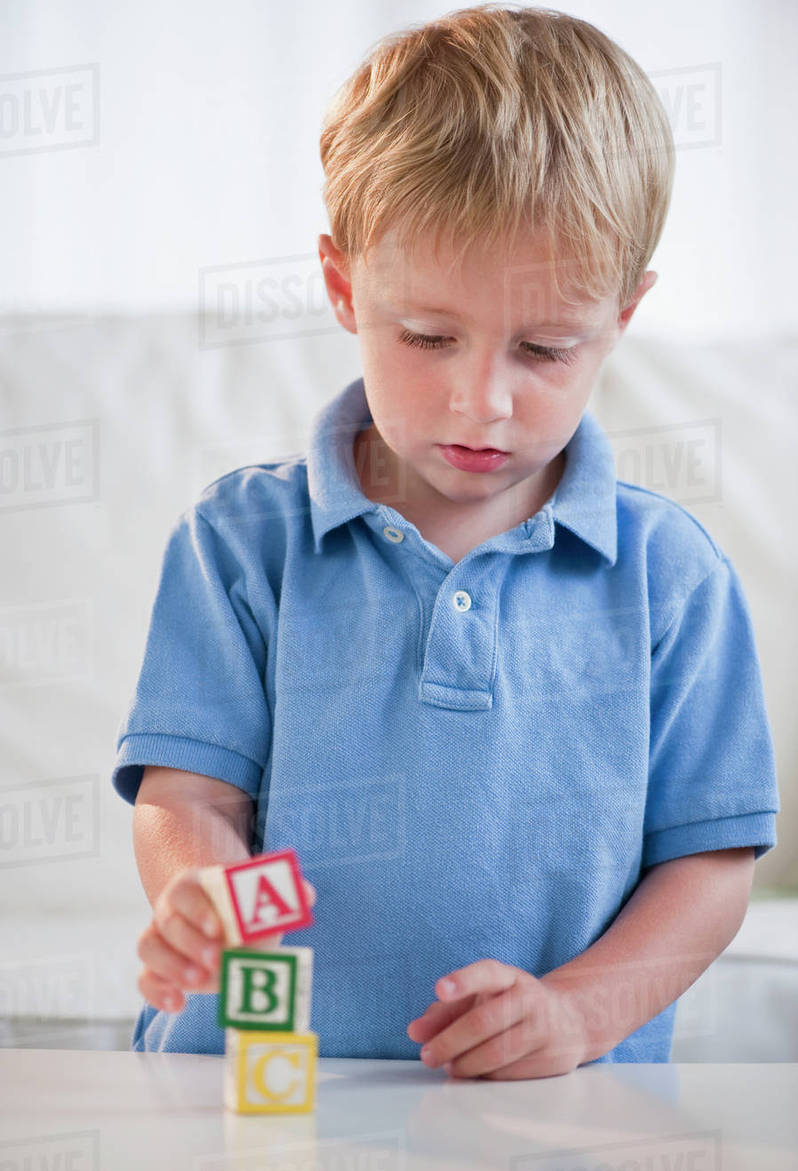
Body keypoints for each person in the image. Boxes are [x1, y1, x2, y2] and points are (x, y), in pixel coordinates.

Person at [113, 4, 779, 1077]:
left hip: (552, 1118)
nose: (483, 403)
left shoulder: (673, 578)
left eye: (545, 348)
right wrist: (199, 891)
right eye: (428, 338)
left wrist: (580, 1015)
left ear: (621, 317)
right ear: (343, 288)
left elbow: (709, 865)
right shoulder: (240, 544)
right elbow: (187, 798)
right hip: (251, 1086)